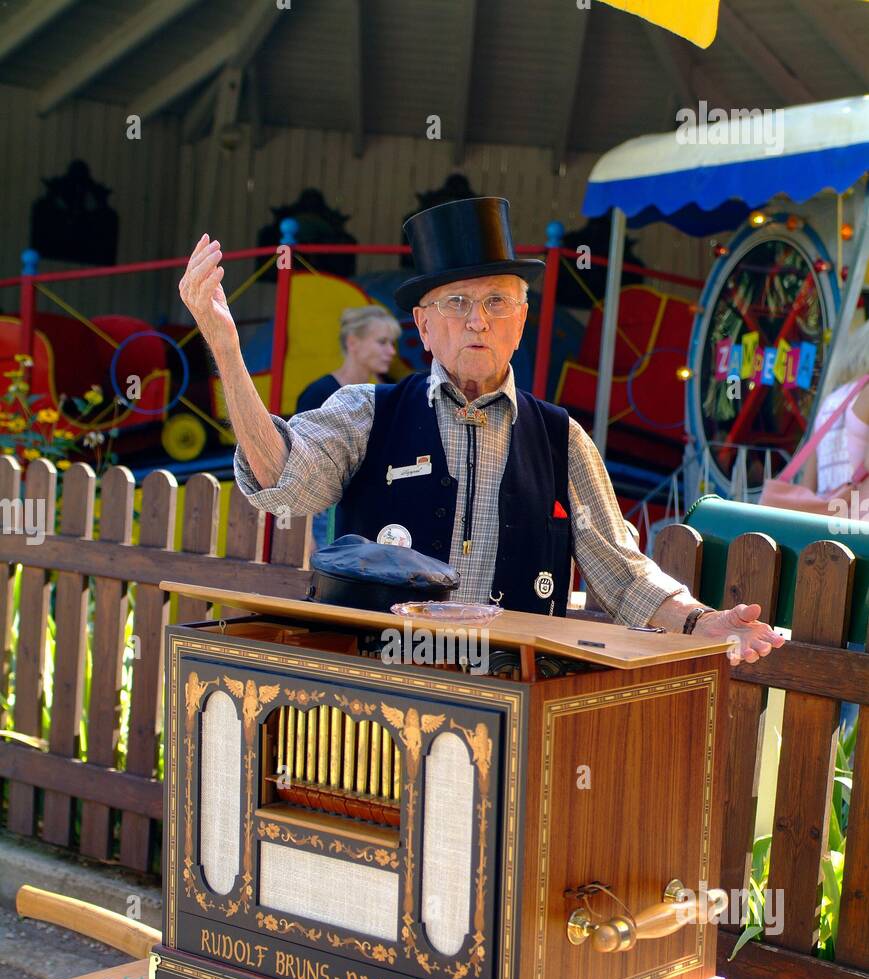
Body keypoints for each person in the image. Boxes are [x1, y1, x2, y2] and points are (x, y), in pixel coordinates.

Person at [179, 198, 785, 665]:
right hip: (381, 690)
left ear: (521, 321)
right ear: (423, 325)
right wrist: (227, 350)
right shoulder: (366, 410)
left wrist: (701, 621)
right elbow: (284, 481)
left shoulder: (560, 437)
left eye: (497, 301)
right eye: (457, 303)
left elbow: (622, 571)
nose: (478, 320)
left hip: (512, 701)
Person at [295, 305, 400, 548]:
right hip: (324, 517)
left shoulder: (384, 395)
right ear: (353, 343)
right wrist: (304, 534)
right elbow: (298, 465)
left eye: (392, 343)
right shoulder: (317, 393)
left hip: (368, 516)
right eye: (382, 342)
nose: (391, 351)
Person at [762, 323, 869, 516]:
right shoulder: (864, 396)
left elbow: (807, 483)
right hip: (857, 521)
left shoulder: (832, 401)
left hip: (824, 523)